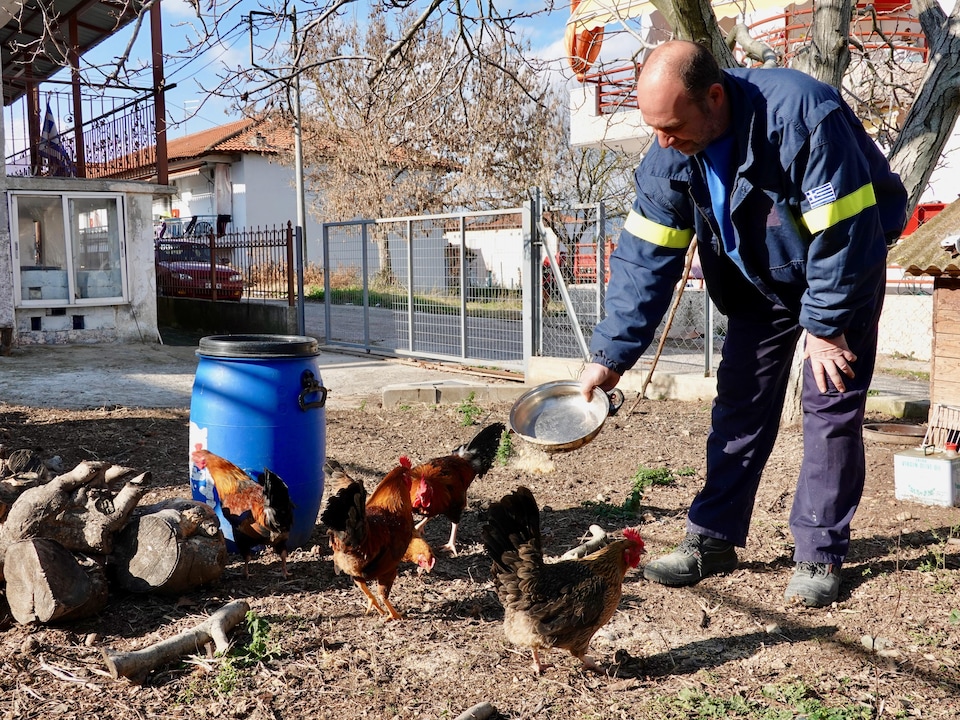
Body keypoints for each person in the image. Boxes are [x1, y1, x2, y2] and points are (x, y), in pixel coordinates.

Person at [578, 40, 907, 607]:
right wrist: (610, 357)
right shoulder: (668, 153)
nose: (663, 141)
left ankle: (819, 553)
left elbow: (846, 232)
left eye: (672, 126)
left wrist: (827, 324)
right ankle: (713, 538)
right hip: (759, 277)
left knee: (828, 403)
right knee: (740, 400)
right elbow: (645, 258)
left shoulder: (803, 116)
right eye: (654, 128)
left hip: (841, 266)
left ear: (714, 97)